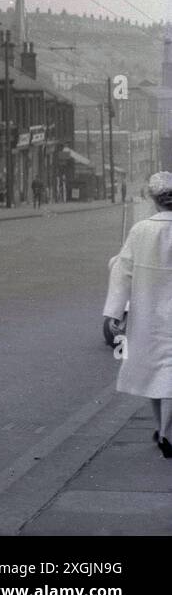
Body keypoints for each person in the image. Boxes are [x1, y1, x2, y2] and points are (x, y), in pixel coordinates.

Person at [105, 171, 172, 459]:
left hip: (149, 314)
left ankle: (161, 428)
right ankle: (167, 431)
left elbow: (122, 270)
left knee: (154, 372)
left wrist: (114, 312)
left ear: (153, 200)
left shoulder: (140, 230)